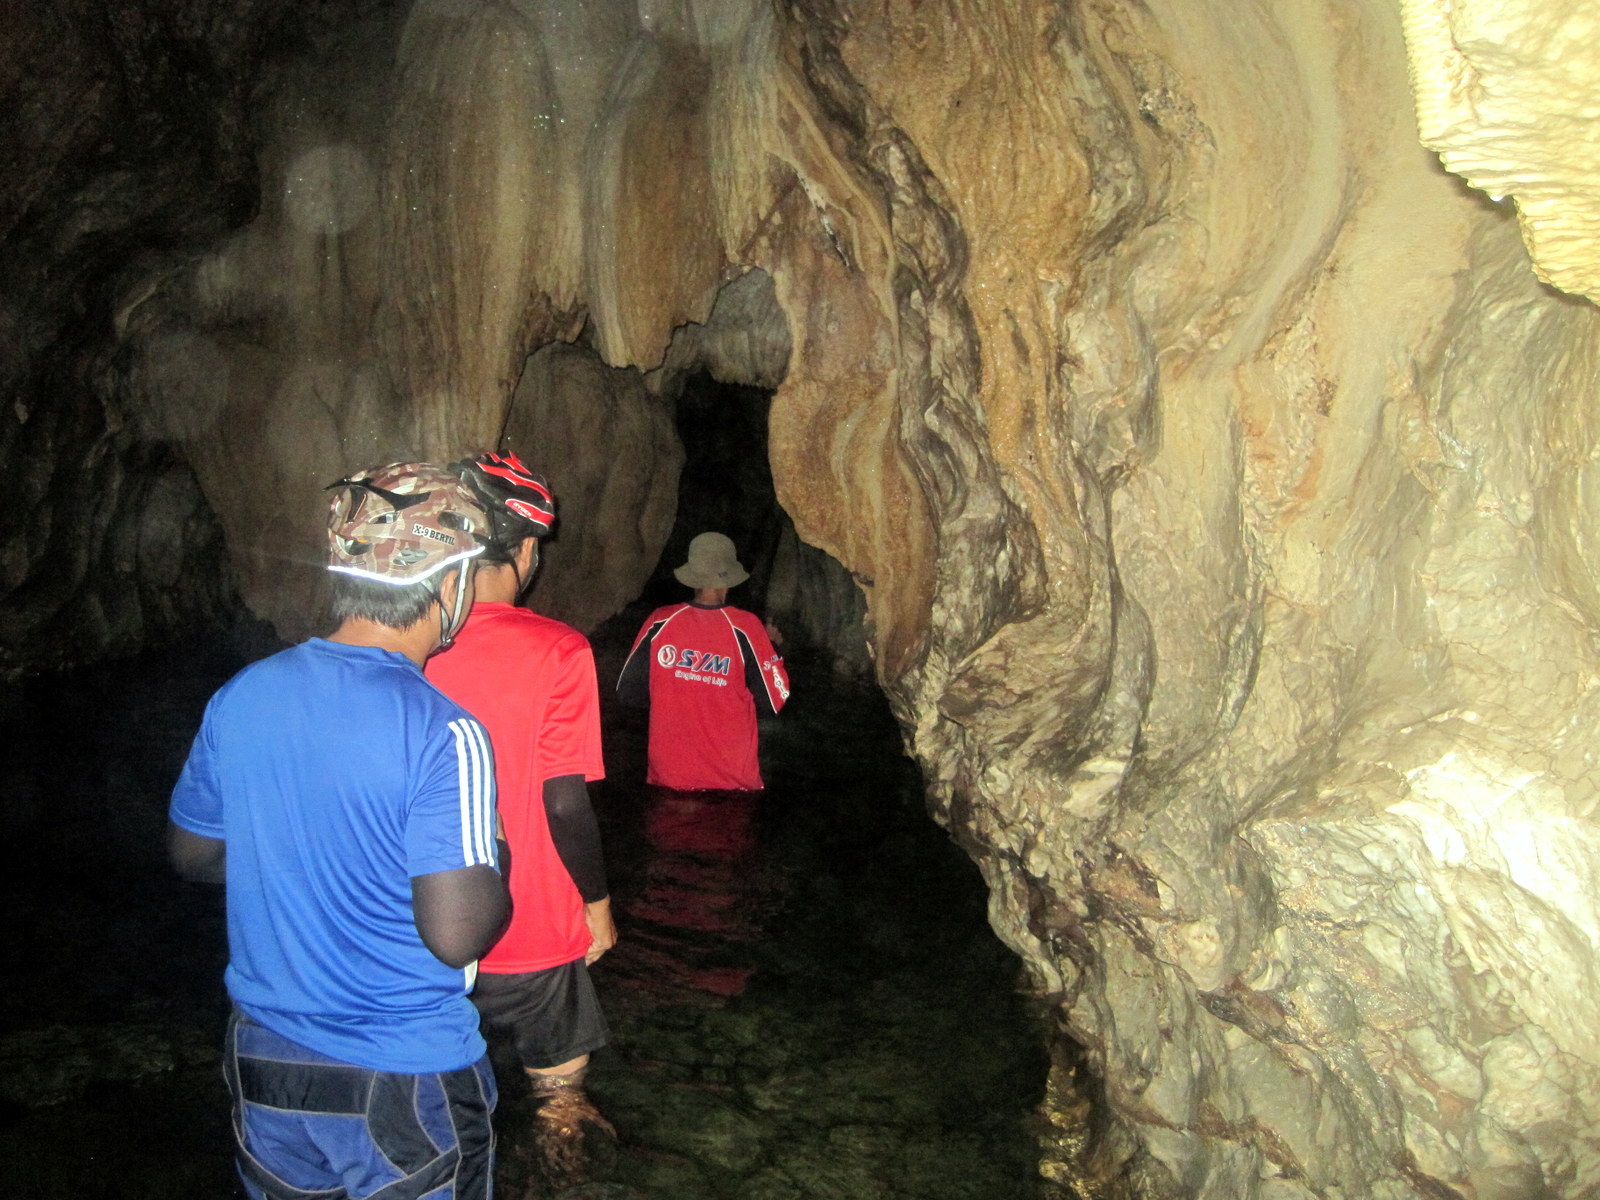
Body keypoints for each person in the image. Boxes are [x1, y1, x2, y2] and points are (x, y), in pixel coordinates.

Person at [166, 462, 511, 1200]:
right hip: (402, 1071)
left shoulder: (243, 695)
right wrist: (494, 851)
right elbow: (459, 932)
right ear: (449, 584)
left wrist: (295, 853)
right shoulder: (444, 729)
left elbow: (192, 851)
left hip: (264, 1057)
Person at [424, 450, 617, 1186]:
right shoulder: (560, 650)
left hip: (429, 922)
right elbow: (565, 800)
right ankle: (561, 1171)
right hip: (532, 921)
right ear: (529, 549)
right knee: (560, 1086)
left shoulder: (411, 644)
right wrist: (596, 903)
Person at [617, 531, 790, 791]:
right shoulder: (746, 628)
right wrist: (772, 647)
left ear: (693, 578)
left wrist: (679, 686)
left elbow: (628, 693)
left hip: (669, 779)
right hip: (730, 784)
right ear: (728, 581)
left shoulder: (660, 622)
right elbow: (775, 699)